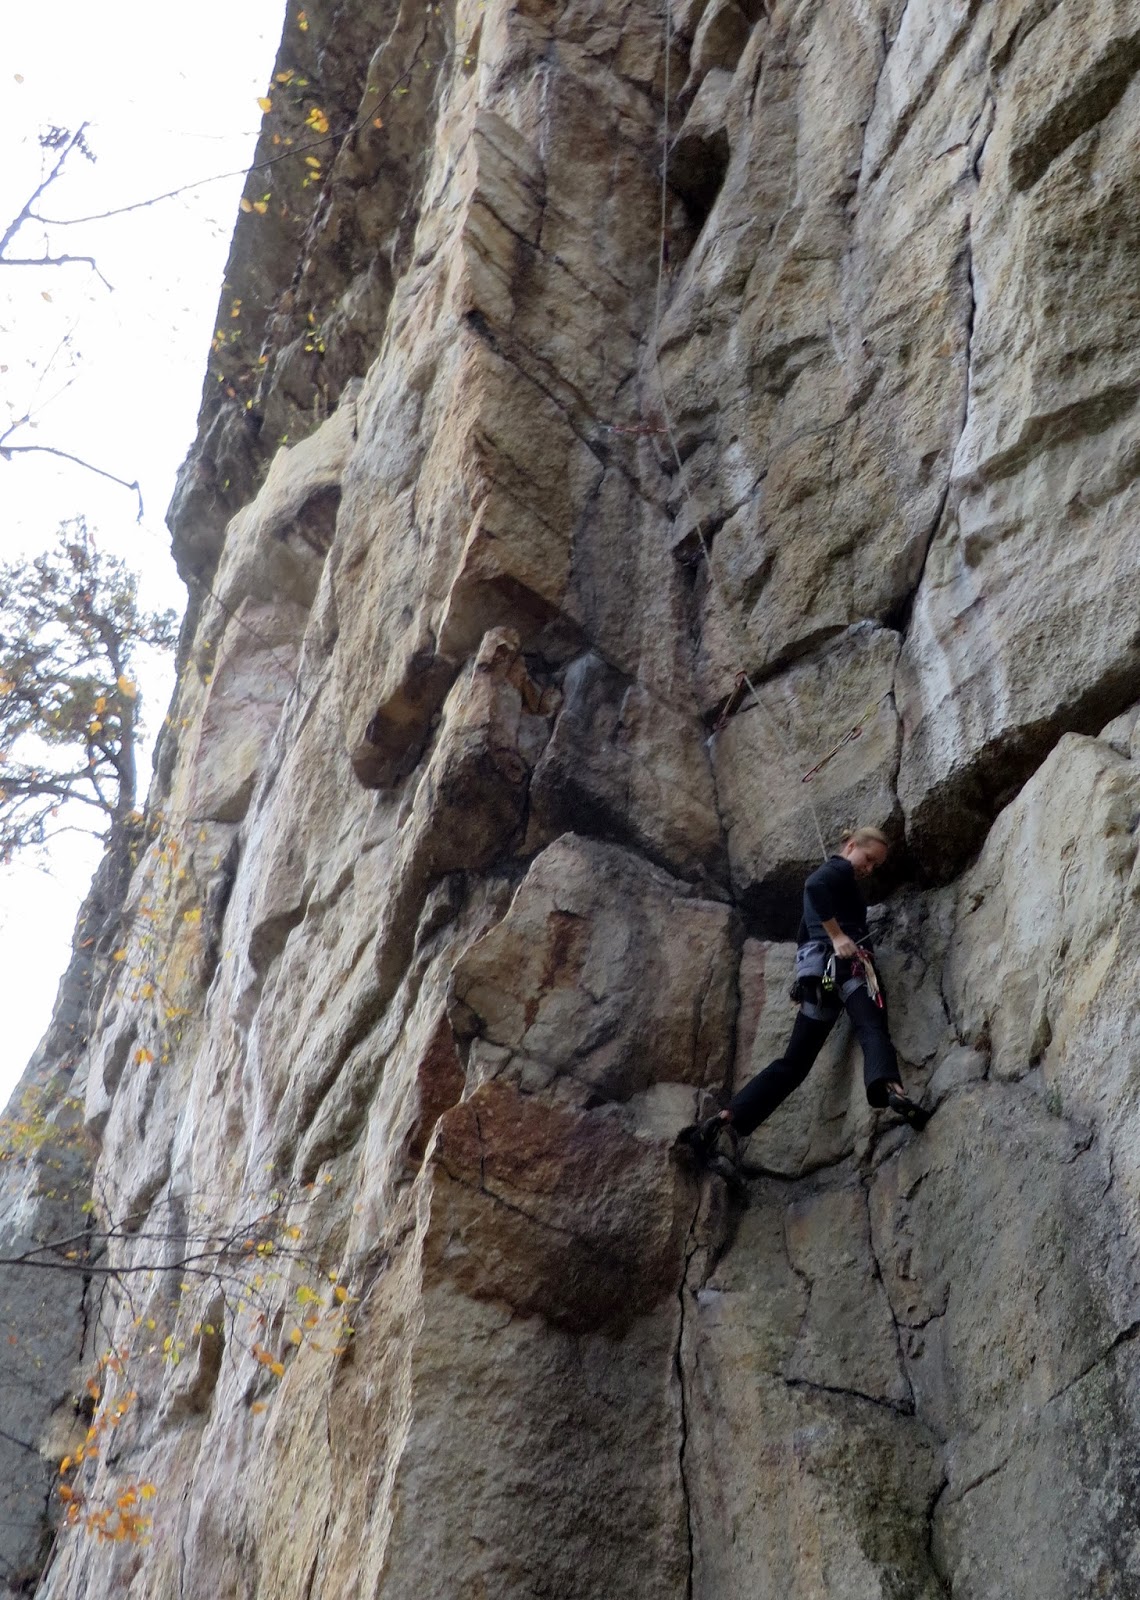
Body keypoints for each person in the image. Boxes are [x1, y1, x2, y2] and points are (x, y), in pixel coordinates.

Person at [679, 827, 928, 1170]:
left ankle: (727, 1117)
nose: (868, 869)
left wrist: (803, 980)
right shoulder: (838, 869)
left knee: (793, 1065)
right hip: (845, 969)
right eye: (868, 859)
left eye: (875, 866)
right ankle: (891, 1090)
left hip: (818, 979)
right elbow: (814, 884)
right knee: (871, 1025)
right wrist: (840, 936)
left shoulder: (835, 888)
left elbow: (804, 934)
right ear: (851, 845)